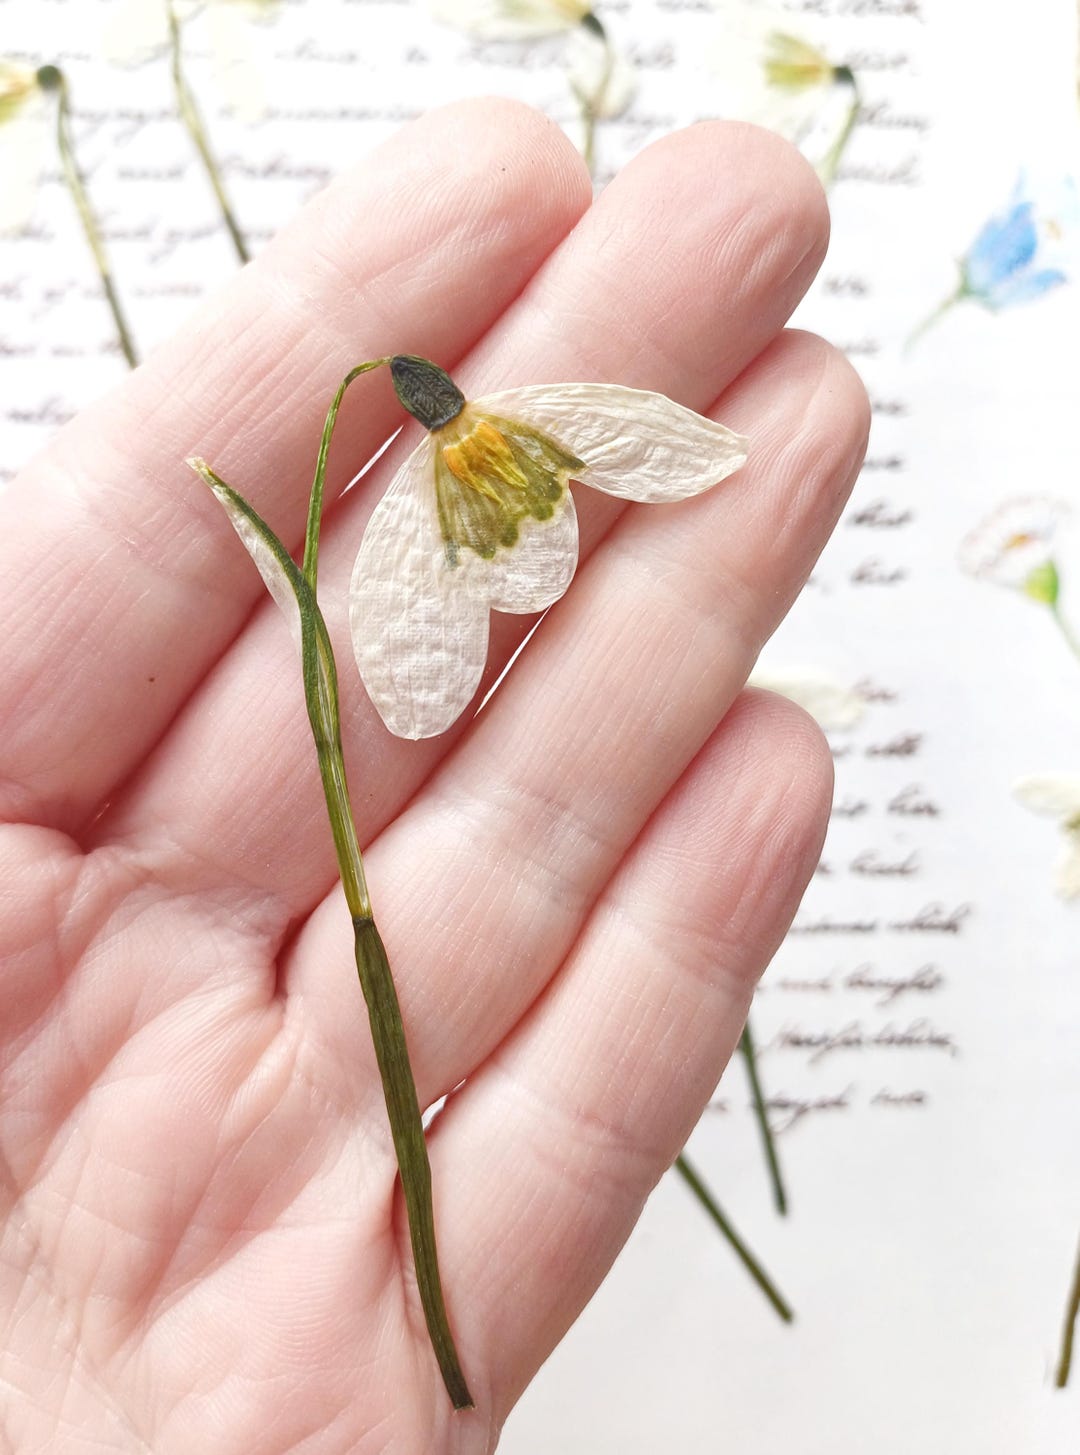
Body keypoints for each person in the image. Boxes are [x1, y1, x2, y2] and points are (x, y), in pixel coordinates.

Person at [0, 98, 868, 1450]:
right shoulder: (411, 481)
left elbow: (663, 450)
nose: (525, 506)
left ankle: (443, 1350)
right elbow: (406, 676)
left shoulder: (476, 441)